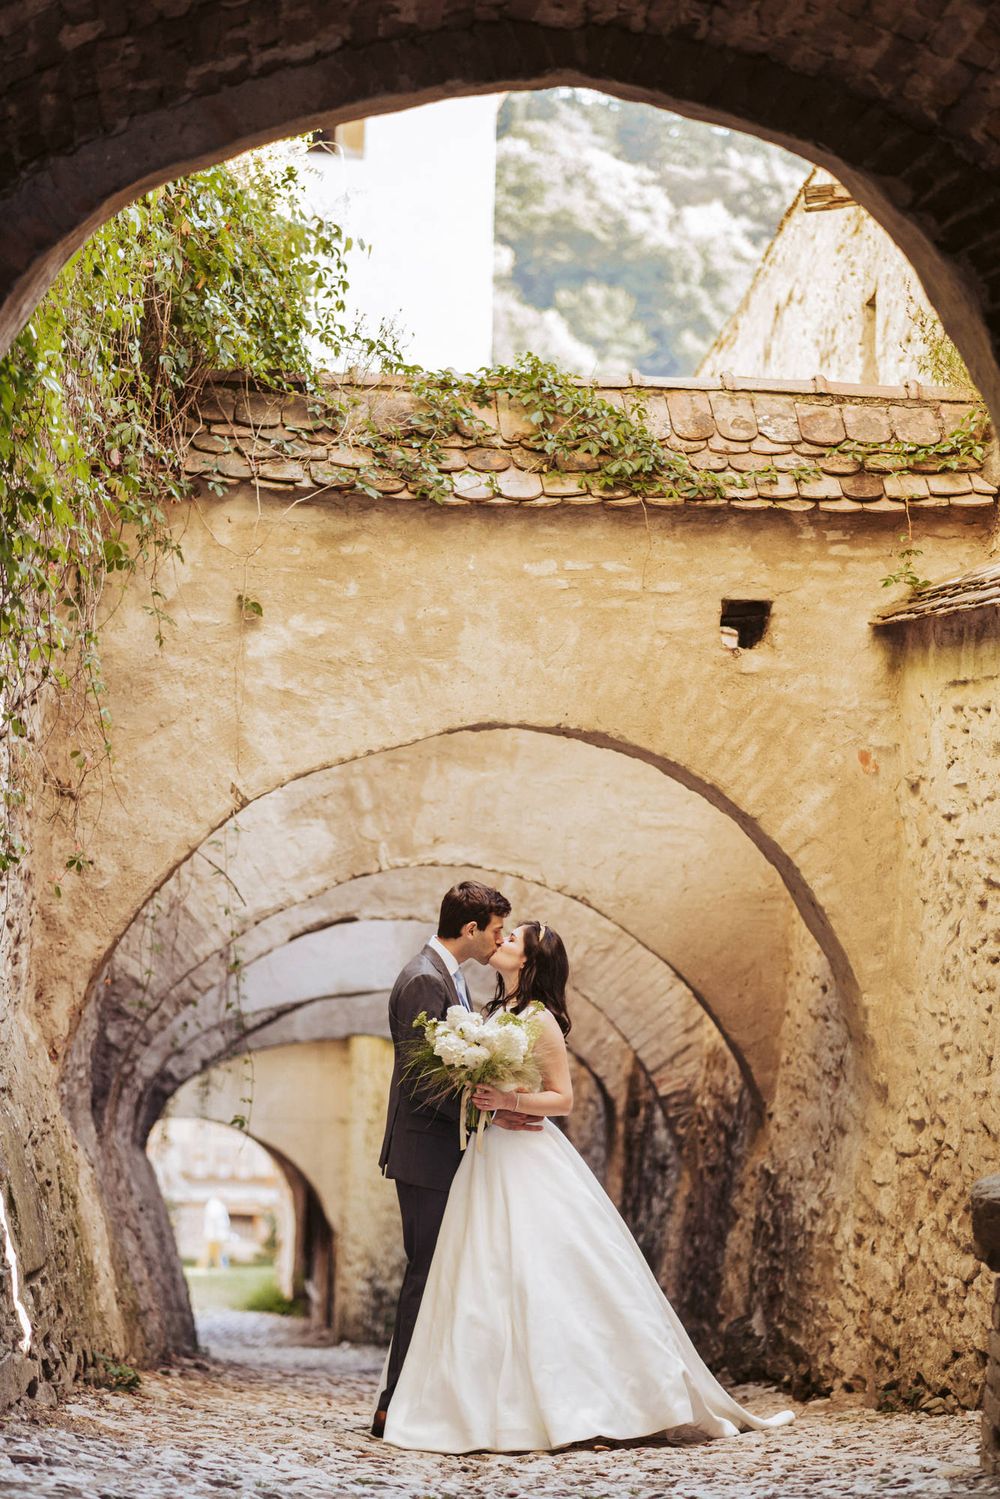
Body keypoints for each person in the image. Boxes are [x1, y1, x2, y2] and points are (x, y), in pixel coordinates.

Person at [380, 921, 795, 1453]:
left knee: (545, 1273)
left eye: (513, 940)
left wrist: (510, 1102)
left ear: (528, 962)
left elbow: (564, 1099)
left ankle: (594, 1399)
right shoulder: (492, 1015)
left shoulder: (540, 1020)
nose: (501, 942)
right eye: (502, 935)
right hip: (485, 1161)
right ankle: (483, 1404)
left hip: (526, 1158)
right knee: (483, 1275)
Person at [373, 881, 540, 1438]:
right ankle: (394, 1404)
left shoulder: (450, 976)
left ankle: (422, 1397)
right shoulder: (424, 978)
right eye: (496, 930)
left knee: (441, 1274)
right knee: (425, 1274)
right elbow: (424, 1082)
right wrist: (490, 1111)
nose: (499, 940)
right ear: (470, 929)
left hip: (443, 1151)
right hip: (425, 1152)